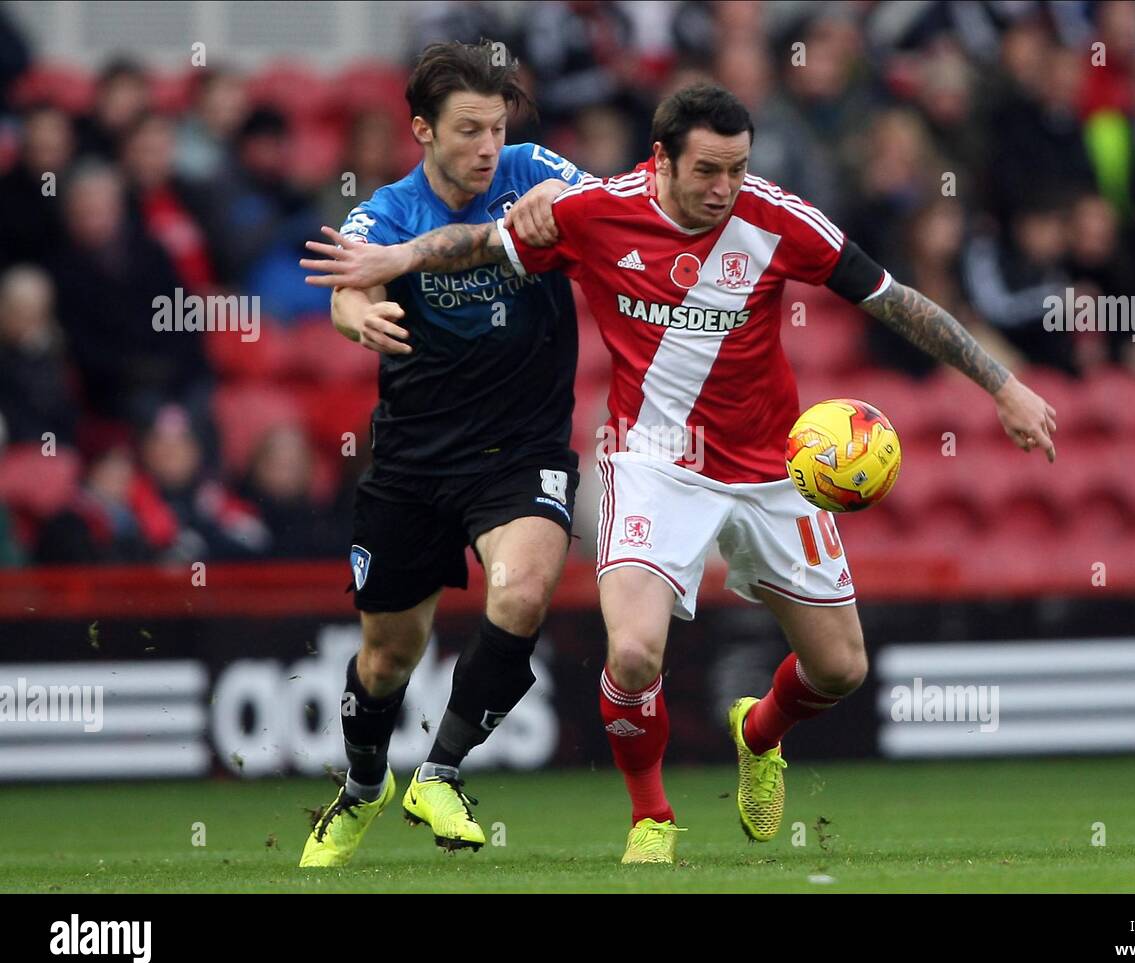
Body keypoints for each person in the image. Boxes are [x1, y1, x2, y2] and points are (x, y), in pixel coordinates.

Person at [303, 84, 1057, 864]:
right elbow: (482, 245)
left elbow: (893, 301)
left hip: (771, 465)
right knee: (631, 654)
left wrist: (1002, 385)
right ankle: (652, 820)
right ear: (660, 159)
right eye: (706, 171)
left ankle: (758, 733)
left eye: (736, 169)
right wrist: (396, 259)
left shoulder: (779, 219)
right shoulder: (599, 214)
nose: (723, 189)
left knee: (840, 669)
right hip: (655, 460)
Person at [296, 40, 593, 868]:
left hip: (521, 449)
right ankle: (362, 787)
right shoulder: (388, 211)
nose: (487, 148)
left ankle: (442, 769)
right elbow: (351, 287)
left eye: (496, 129)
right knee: (388, 657)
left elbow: (612, 211)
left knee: (527, 589)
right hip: (415, 461)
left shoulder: (536, 170)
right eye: (467, 130)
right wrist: (359, 319)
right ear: (422, 130)